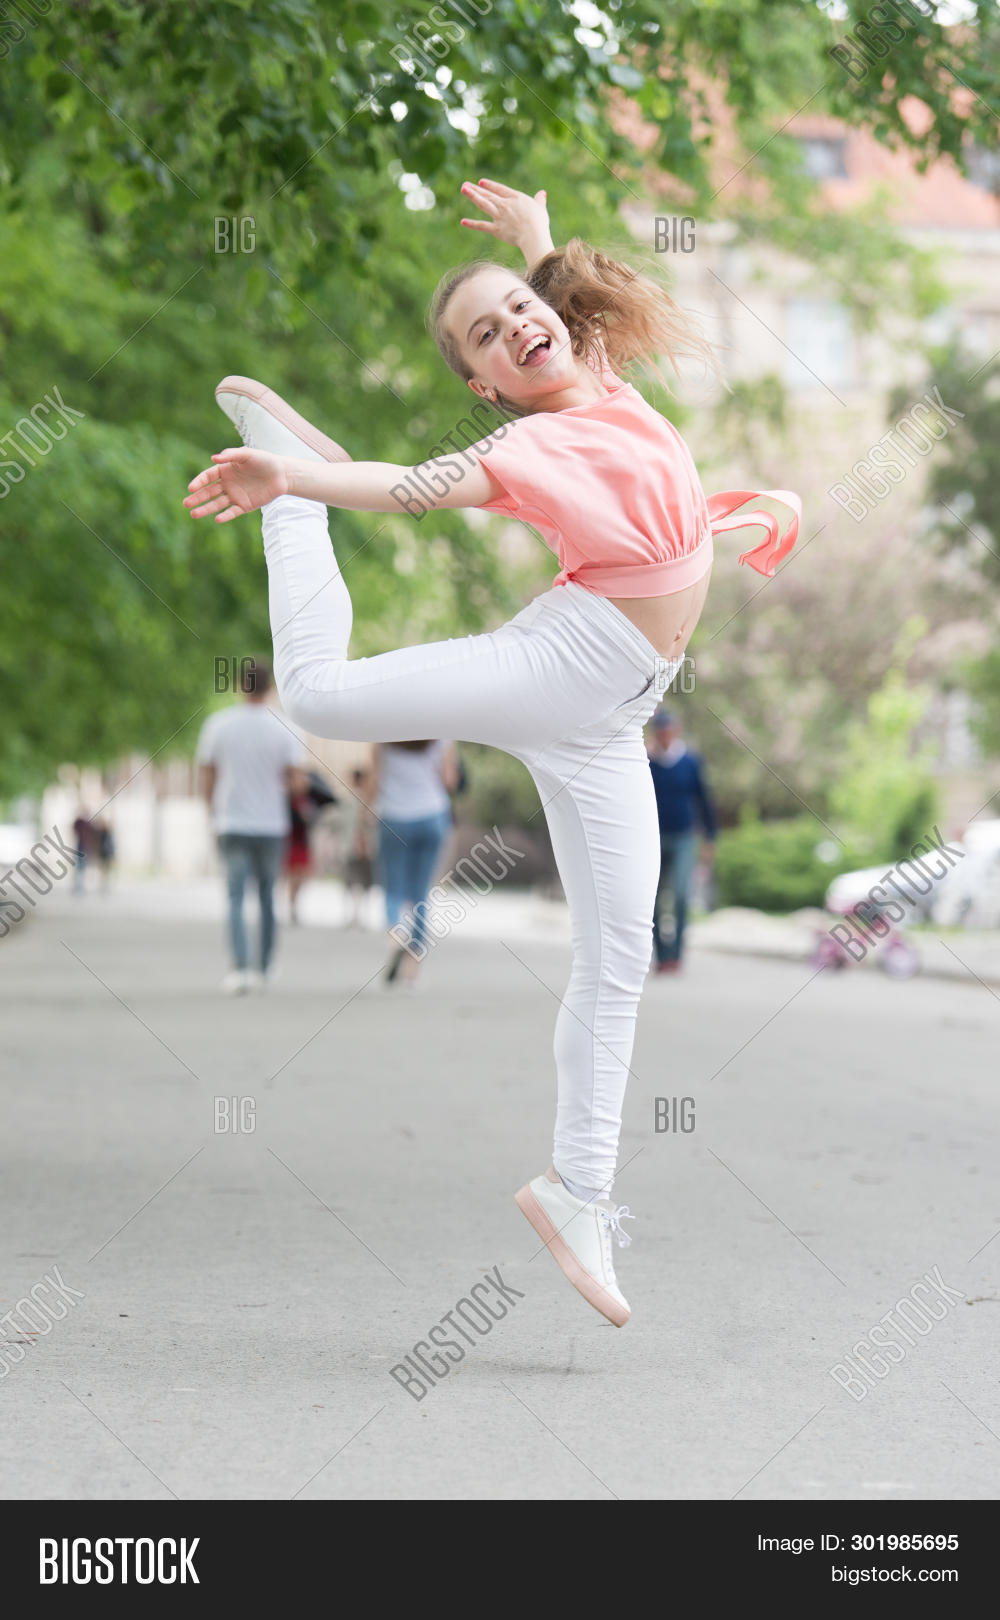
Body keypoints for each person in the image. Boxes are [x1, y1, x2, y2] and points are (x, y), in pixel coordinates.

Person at [184, 178, 800, 1326]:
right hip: (561, 665)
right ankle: (287, 505)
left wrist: (534, 241)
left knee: (618, 953)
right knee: (315, 691)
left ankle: (577, 1192)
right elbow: (409, 488)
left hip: (611, 716)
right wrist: (299, 480)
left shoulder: (599, 377)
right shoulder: (531, 443)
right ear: (483, 384)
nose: (517, 326)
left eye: (520, 308)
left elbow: (559, 308)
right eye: (486, 336)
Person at [195, 656, 309, 993]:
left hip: (230, 822)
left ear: (239, 686)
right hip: (271, 824)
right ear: (270, 687)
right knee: (267, 896)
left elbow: (208, 776)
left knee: (234, 897)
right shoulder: (286, 728)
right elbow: (298, 783)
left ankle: (240, 968)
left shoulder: (218, 725)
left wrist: (211, 813)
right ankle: (266, 964)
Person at [371, 739, 460, 987]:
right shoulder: (442, 739)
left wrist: (364, 818)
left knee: (393, 888)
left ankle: (396, 934)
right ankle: (412, 968)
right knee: (420, 893)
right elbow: (449, 781)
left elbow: (374, 782)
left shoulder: (383, 740)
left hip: (393, 816)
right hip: (431, 815)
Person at [646, 708, 717, 974]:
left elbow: (704, 799)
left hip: (684, 837)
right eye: (660, 731)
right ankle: (661, 956)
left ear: (676, 731)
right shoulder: (647, 762)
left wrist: (710, 837)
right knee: (652, 900)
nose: (664, 736)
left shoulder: (690, 761)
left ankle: (676, 956)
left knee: (679, 895)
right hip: (653, 838)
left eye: (668, 731)